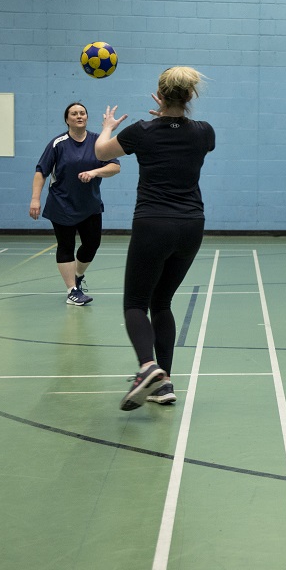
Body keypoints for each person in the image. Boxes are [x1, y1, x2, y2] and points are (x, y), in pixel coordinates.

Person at [95, 67, 216, 411]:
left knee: (135, 303)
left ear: (159, 96)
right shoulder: (204, 133)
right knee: (161, 303)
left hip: (153, 225)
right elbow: (180, 136)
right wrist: (168, 120)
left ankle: (148, 366)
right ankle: (163, 385)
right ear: (190, 96)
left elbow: (102, 152)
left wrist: (107, 127)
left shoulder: (141, 132)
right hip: (191, 227)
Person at [30, 102, 121, 306]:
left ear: (87, 118)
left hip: (90, 205)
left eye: (82, 113)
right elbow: (41, 171)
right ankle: (72, 290)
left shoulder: (99, 141)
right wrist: (35, 199)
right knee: (66, 246)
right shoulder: (58, 144)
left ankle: (77, 275)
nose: (79, 116)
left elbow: (115, 167)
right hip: (61, 203)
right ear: (67, 119)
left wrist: (94, 172)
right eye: (74, 114)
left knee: (92, 244)